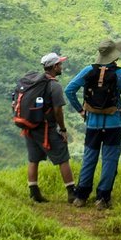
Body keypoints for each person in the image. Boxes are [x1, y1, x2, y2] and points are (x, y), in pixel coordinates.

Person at [64, 38, 121, 209]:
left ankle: (81, 197)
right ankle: (102, 199)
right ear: (115, 56)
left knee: (89, 158)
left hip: (92, 123)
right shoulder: (120, 74)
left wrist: (81, 110)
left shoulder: (88, 71)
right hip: (113, 124)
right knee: (109, 159)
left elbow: (69, 89)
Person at [13, 51, 77, 203]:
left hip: (29, 126)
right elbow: (57, 110)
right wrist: (62, 129)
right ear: (55, 67)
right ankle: (72, 193)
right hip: (46, 128)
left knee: (33, 159)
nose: (62, 66)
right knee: (63, 157)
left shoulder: (34, 83)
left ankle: (34, 193)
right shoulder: (54, 86)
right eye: (60, 64)